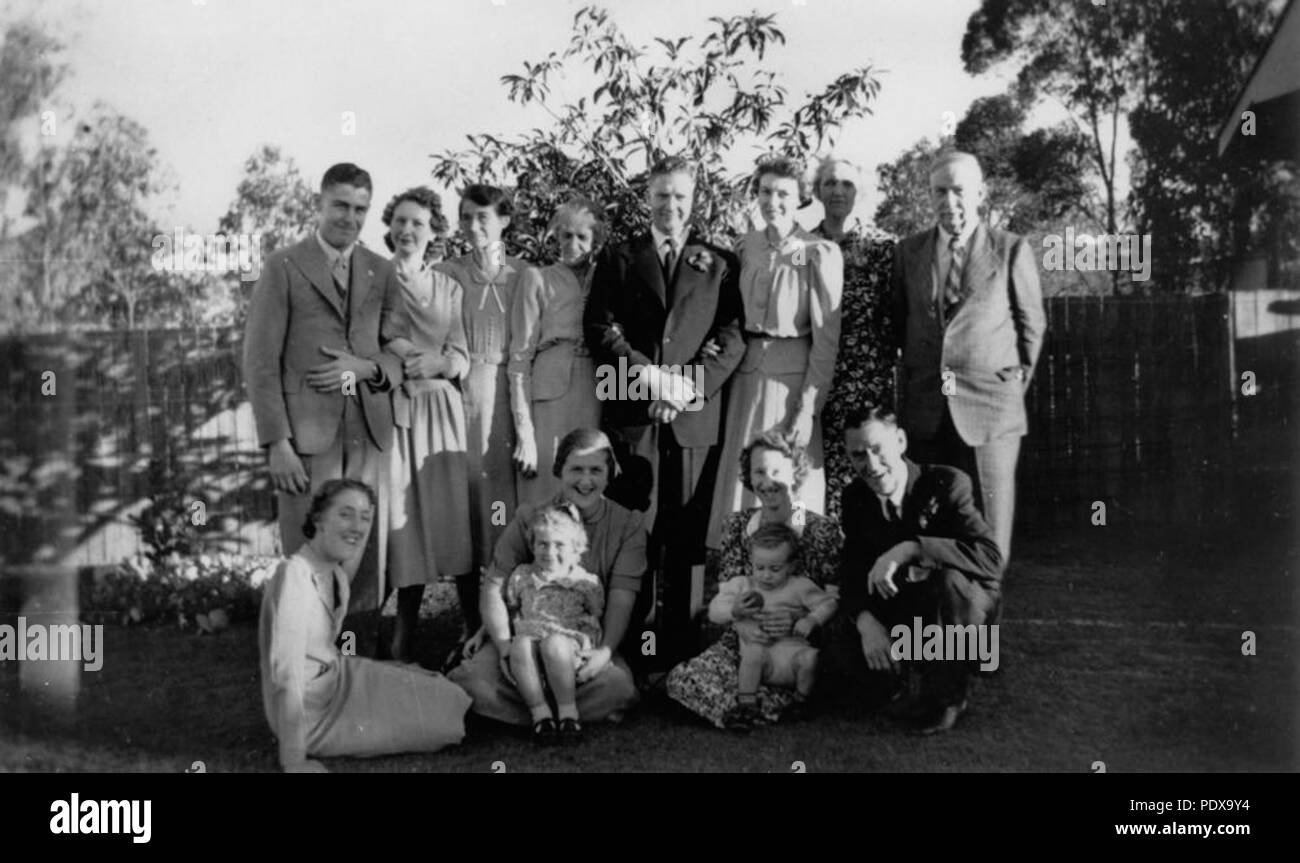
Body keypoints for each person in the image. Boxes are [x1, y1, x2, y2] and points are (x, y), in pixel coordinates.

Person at [585, 155, 746, 668]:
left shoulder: (719, 261)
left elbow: (731, 336)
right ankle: (626, 650)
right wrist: (648, 376)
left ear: (693, 199)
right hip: (633, 415)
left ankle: (678, 654)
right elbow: (602, 328)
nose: (670, 205)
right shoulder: (619, 257)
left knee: (684, 539)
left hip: (692, 418)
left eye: (679, 195)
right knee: (634, 533)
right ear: (646, 197)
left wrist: (685, 388)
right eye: (660, 195)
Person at [243, 162, 406, 651]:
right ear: (319, 203)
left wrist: (366, 368)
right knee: (309, 556)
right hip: (307, 440)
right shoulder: (283, 266)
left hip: (369, 435)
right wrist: (277, 443)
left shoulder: (382, 269)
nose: (349, 218)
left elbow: (398, 352)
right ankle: (304, 680)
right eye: (340, 205)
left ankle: (355, 685)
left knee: (363, 556)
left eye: (360, 209)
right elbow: (259, 360)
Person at [891, 150, 1046, 570]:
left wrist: (1007, 390)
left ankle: (984, 631)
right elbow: (900, 326)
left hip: (991, 414)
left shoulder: (1011, 250)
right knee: (930, 528)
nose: (949, 201)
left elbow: (1032, 329)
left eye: (958, 190)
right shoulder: (909, 253)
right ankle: (939, 630)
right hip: (927, 415)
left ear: (979, 193)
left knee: (990, 534)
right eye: (939, 192)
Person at [259, 479, 471, 772]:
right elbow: (287, 673)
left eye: (365, 517)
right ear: (318, 518)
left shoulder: (335, 573)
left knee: (450, 696)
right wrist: (294, 760)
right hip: (313, 716)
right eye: (345, 514)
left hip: (339, 680)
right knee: (445, 725)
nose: (357, 527)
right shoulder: (294, 576)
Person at [449, 428, 647, 725]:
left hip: (580, 642)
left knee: (617, 688)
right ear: (559, 471)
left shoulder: (627, 525)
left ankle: (545, 708)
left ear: (610, 474)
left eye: (595, 470)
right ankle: (545, 708)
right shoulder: (530, 517)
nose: (585, 480)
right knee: (473, 683)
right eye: (576, 469)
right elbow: (494, 586)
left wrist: (604, 654)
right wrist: (503, 646)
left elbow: (621, 598)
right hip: (524, 642)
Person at [827, 405, 1002, 735]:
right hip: (907, 608)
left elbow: (991, 559)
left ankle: (949, 697)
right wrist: (865, 621)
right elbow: (851, 570)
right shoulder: (854, 498)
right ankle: (901, 677)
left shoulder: (947, 483)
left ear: (901, 441)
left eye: (878, 450)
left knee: (949, 579)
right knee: (843, 675)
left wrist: (914, 548)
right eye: (858, 455)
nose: (872, 465)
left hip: (962, 613)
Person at [706, 155, 844, 551]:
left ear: (800, 197)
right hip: (745, 377)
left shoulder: (817, 252)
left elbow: (826, 336)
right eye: (765, 192)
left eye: (783, 193)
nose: (773, 201)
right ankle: (738, 579)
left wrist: (808, 406)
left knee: (785, 477)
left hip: (791, 384)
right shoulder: (744, 246)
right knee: (742, 477)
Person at [666, 431, 843, 728]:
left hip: (796, 645)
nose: (767, 481)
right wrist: (741, 621)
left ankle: (753, 705)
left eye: (777, 471)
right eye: (759, 471)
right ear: (748, 477)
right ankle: (755, 708)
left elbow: (833, 598)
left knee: (807, 668)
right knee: (682, 679)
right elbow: (727, 593)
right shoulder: (737, 524)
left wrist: (801, 622)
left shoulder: (819, 529)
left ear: (796, 472)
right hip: (747, 642)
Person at [380, 186, 473, 664]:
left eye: (417, 222)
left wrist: (439, 363)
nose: (407, 230)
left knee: (444, 521)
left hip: (441, 413)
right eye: (399, 221)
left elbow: (461, 355)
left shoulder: (449, 288)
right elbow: (375, 336)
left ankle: (468, 636)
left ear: (434, 231)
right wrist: (405, 356)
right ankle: (390, 642)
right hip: (396, 411)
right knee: (400, 523)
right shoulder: (374, 279)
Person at [439, 184, 527, 642]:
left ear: (505, 220)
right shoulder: (448, 273)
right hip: (460, 399)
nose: (475, 226)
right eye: (467, 217)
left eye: (484, 218)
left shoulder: (525, 276)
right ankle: (471, 623)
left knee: (504, 509)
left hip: (511, 399)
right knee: (468, 508)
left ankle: (512, 618)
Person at [808, 157, 899, 524]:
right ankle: (830, 563)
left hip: (868, 382)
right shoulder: (805, 245)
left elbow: (897, 316)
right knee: (823, 472)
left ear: (858, 191)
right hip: (819, 379)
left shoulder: (884, 247)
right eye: (830, 183)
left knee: (870, 464)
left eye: (846, 184)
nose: (838, 191)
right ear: (817, 191)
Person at [509, 199, 604, 505]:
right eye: (565, 235)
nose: (572, 244)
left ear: (595, 241)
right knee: (546, 488)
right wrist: (525, 434)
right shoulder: (538, 278)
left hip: (594, 389)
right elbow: (520, 357)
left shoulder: (604, 278)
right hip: (549, 394)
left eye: (581, 237)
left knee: (589, 481)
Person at [708, 522, 837, 731]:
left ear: (791, 566)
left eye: (775, 569)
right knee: (753, 654)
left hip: (793, 657)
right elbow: (714, 610)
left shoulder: (799, 586)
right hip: (763, 658)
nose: (766, 575)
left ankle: (800, 703)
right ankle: (747, 707)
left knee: (811, 658)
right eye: (759, 567)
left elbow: (828, 603)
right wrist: (735, 611)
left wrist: (811, 620)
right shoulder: (743, 585)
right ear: (751, 562)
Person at [502, 504, 605, 744]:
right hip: (530, 646)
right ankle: (541, 715)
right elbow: (510, 609)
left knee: (554, 644)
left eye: (559, 545)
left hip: (566, 646)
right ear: (532, 546)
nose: (550, 552)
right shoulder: (522, 576)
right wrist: (482, 633)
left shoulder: (584, 581)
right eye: (543, 544)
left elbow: (598, 614)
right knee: (520, 644)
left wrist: (599, 649)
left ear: (576, 549)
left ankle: (569, 714)